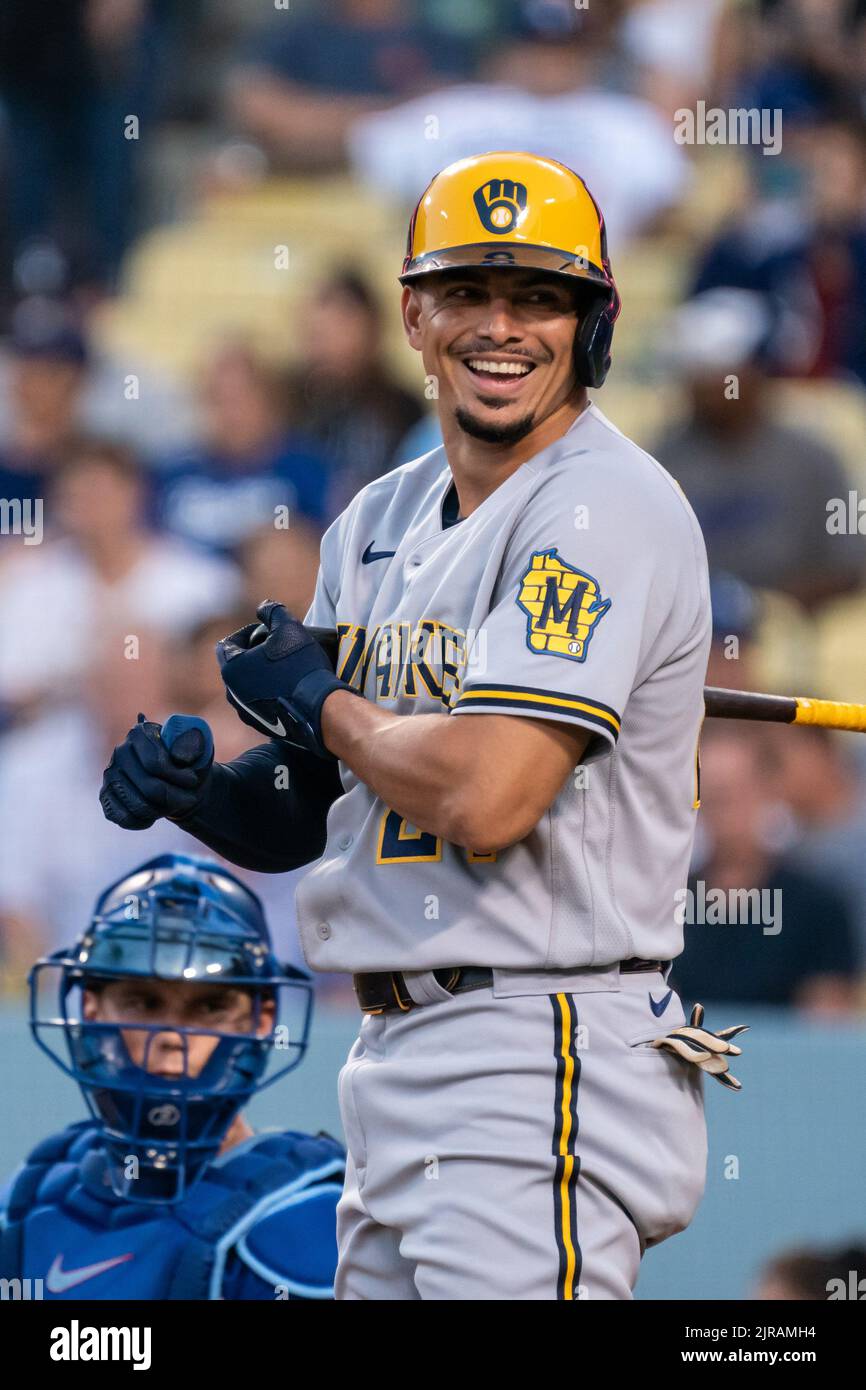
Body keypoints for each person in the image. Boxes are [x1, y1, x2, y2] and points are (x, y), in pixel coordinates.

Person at [101, 150, 747, 1301]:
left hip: (537, 1038)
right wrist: (210, 796)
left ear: (592, 324)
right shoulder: (378, 516)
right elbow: (321, 805)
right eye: (467, 292)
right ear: (414, 311)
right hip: (401, 1048)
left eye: (539, 297)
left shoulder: (602, 506)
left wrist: (318, 699)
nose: (500, 327)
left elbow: (485, 799)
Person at [0, 853, 344, 1300]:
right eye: (142, 1003)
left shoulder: (301, 1222)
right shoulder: (31, 1201)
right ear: (90, 1009)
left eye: (208, 1007)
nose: (171, 1039)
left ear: (262, 1020)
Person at [653, 289, 863, 611]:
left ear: (755, 373)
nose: (707, 387)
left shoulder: (814, 458)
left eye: (719, 373)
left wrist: (765, 607)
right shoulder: (661, 460)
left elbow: (848, 564)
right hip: (687, 629)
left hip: (792, 633)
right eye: (697, 373)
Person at [671, 729, 860, 1015]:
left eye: (734, 792)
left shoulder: (818, 904)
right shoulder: (670, 902)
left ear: (767, 790)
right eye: (711, 793)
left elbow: (826, 1028)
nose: (723, 809)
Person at [284, 270, 424, 517]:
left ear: (371, 328)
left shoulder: (401, 408)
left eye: (338, 329)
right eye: (317, 333)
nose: (324, 345)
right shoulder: (291, 401)